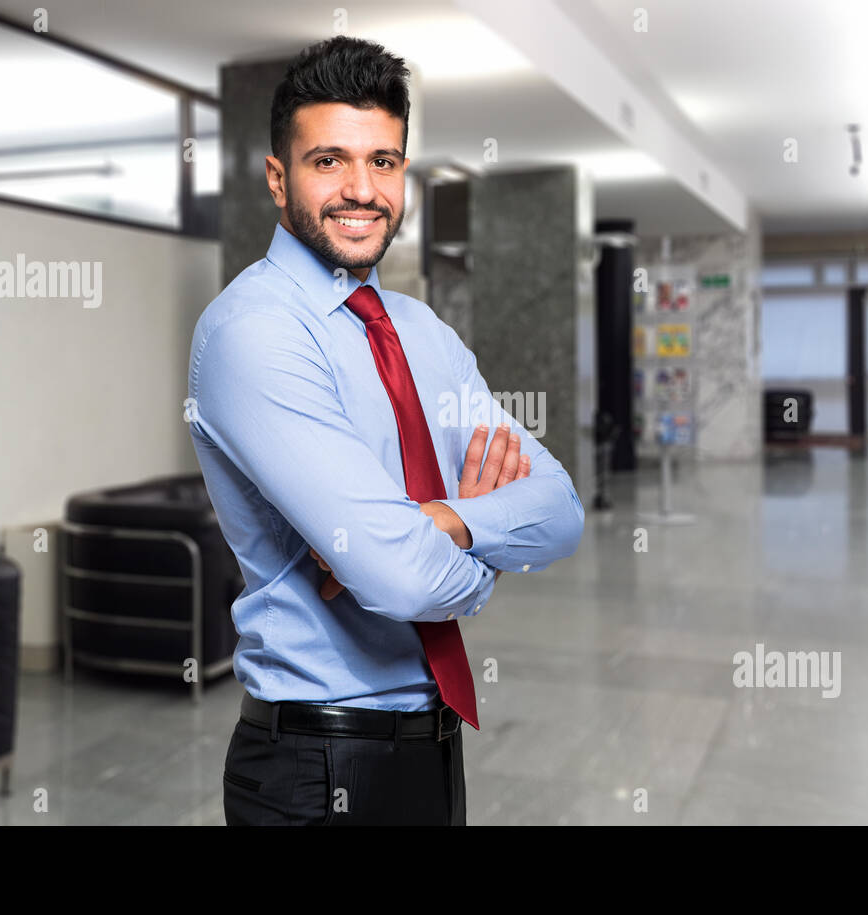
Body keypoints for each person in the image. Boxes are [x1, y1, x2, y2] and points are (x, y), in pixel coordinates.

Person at [187, 35, 584, 825]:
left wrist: (446, 523)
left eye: (384, 161)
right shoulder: (254, 332)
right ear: (277, 177)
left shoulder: (424, 333)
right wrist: (484, 562)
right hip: (317, 763)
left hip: (433, 751)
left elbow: (562, 510)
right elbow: (403, 579)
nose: (360, 189)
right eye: (328, 160)